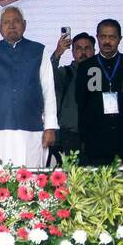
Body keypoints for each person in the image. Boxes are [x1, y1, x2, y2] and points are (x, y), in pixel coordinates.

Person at [0, 7, 57, 167]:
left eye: (16, 21)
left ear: (24, 25)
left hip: (31, 129)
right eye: (6, 22)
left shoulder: (39, 51)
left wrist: (50, 127)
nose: (11, 26)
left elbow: (48, 92)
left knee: (30, 182)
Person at [73, 19, 123, 166]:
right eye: (103, 37)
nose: (107, 41)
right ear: (98, 38)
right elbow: (80, 102)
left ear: (120, 39)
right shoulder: (86, 67)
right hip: (96, 142)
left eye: (112, 37)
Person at [49, 30, 95, 165]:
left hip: (96, 134)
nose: (83, 52)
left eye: (87, 48)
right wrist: (58, 53)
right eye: (79, 48)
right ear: (73, 52)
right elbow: (46, 76)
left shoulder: (101, 73)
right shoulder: (65, 73)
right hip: (69, 135)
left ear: (94, 50)